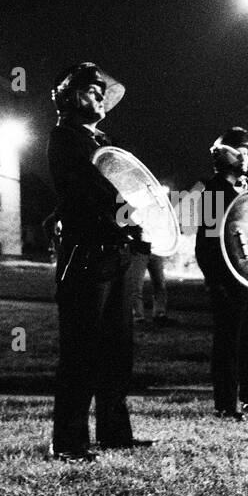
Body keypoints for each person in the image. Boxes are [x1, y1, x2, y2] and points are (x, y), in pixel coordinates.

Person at [46, 62, 155, 461]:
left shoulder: (104, 141)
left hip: (118, 253)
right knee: (80, 351)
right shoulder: (65, 138)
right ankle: (69, 442)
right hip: (88, 254)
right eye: (91, 90)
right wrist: (131, 210)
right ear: (70, 96)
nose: (100, 97)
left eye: (101, 90)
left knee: (117, 349)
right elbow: (91, 193)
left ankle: (114, 432)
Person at [195, 127, 248, 420]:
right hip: (229, 282)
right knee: (228, 344)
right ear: (222, 156)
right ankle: (225, 405)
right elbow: (204, 246)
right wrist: (215, 281)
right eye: (238, 151)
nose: (245, 157)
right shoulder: (213, 192)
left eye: (247, 151)